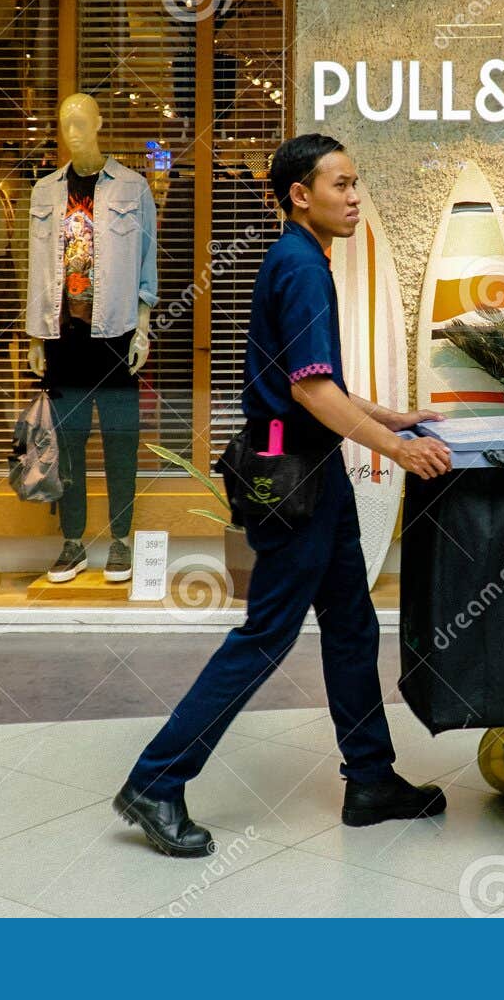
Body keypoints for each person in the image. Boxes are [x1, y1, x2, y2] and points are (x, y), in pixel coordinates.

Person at [115, 133, 454, 858]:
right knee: (266, 633)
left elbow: (313, 381)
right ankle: (156, 780)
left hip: (310, 466)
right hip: (292, 472)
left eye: (357, 183)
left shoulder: (302, 258)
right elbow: (308, 389)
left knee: (352, 624)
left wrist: (388, 415)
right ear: (300, 195)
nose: (354, 196)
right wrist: (396, 448)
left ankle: (370, 780)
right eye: (340, 184)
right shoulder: (300, 266)